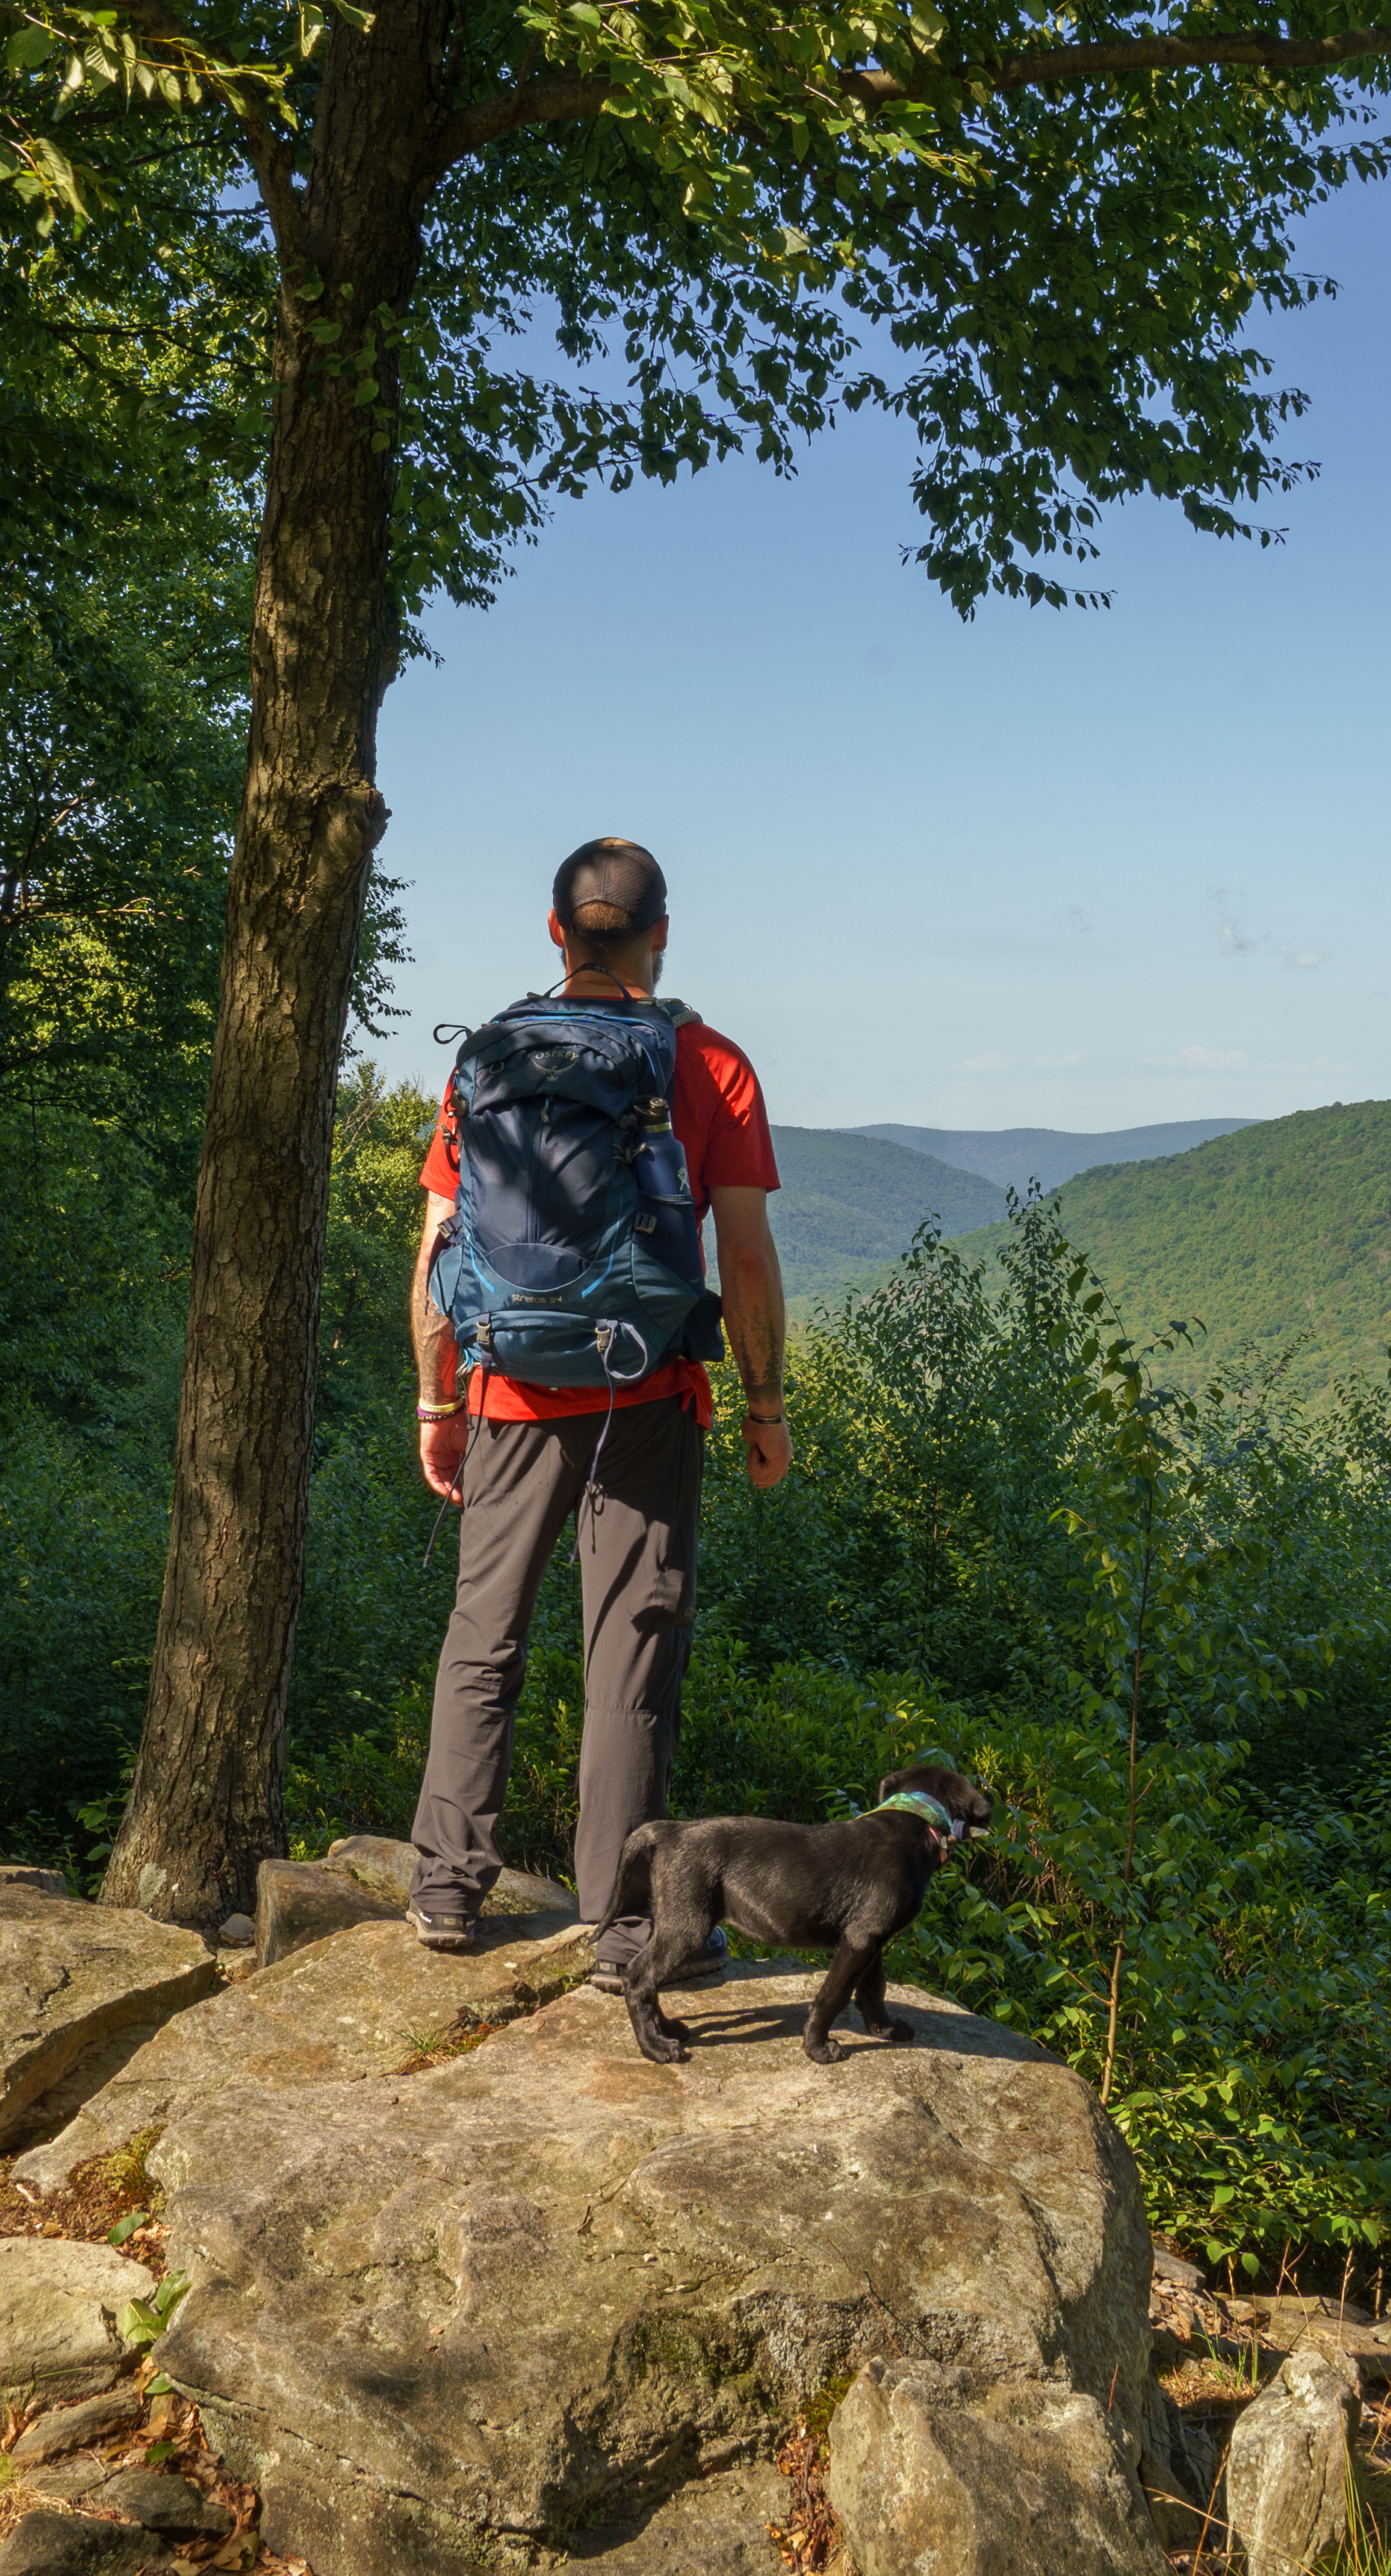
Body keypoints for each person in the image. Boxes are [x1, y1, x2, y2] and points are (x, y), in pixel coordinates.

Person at [404, 836, 792, 1988]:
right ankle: (622, 1924)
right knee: (630, 1650)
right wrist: (765, 1403)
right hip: (649, 1389)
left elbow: (434, 1248)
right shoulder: (707, 1063)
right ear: (662, 933)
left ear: (554, 930)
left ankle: (444, 1888)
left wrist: (437, 1398)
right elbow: (750, 1256)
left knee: (485, 1635)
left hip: (509, 1388)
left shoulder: (486, 1059)